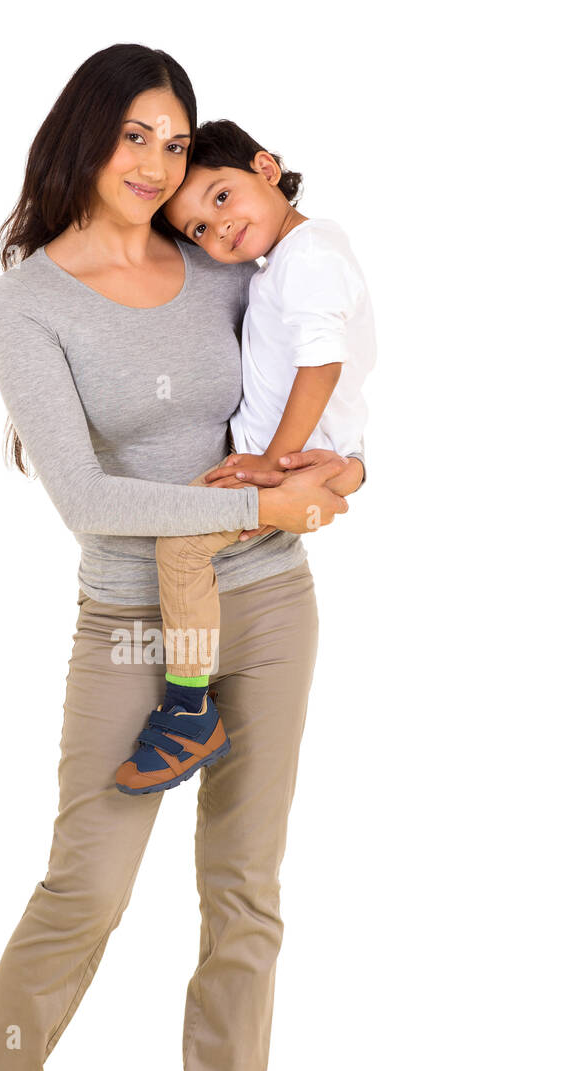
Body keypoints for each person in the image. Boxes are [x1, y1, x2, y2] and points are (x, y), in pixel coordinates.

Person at [0, 43, 365, 1071]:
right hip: (133, 614)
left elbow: (313, 389)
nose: (156, 163)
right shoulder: (27, 300)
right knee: (86, 887)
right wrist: (257, 504)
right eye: (135, 134)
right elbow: (85, 499)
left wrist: (343, 468)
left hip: (271, 604)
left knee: (244, 893)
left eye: (176, 142)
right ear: (83, 133)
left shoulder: (214, 260)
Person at [115, 119, 374, 794]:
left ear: (265, 167)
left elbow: (322, 364)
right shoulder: (287, 260)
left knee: (178, 551)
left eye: (221, 199)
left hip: (292, 467)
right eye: (198, 229)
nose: (217, 230)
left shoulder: (310, 255)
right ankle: (193, 705)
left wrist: (274, 462)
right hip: (313, 461)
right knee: (186, 548)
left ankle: (189, 708)